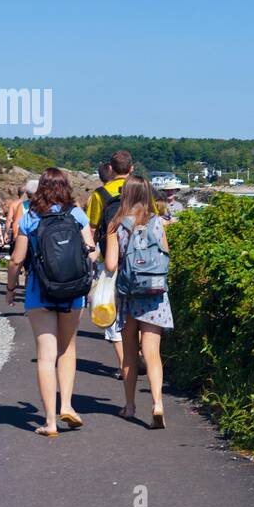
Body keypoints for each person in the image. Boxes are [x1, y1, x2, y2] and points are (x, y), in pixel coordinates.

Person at [5, 168, 97, 437]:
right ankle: (67, 405)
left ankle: (49, 421)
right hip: (73, 292)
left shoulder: (30, 217)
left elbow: (16, 259)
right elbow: (92, 255)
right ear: (66, 187)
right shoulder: (77, 214)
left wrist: (10, 289)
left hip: (39, 292)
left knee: (46, 356)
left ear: (41, 188)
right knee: (67, 349)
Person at [104, 174, 173, 429]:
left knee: (130, 354)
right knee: (153, 353)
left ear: (126, 195)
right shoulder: (158, 222)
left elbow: (111, 264)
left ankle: (130, 406)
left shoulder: (116, 224)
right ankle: (157, 404)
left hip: (130, 296)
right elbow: (166, 257)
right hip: (155, 296)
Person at [87, 151, 134, 372]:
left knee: (112, 312)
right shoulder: (144, 191)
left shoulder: (100, 194)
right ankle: (139, 354)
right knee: (139, 311)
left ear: (111, 170)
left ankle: (125, 365)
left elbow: (92, 229)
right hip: (142, 262)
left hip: (111, 262)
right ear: (131, 169)